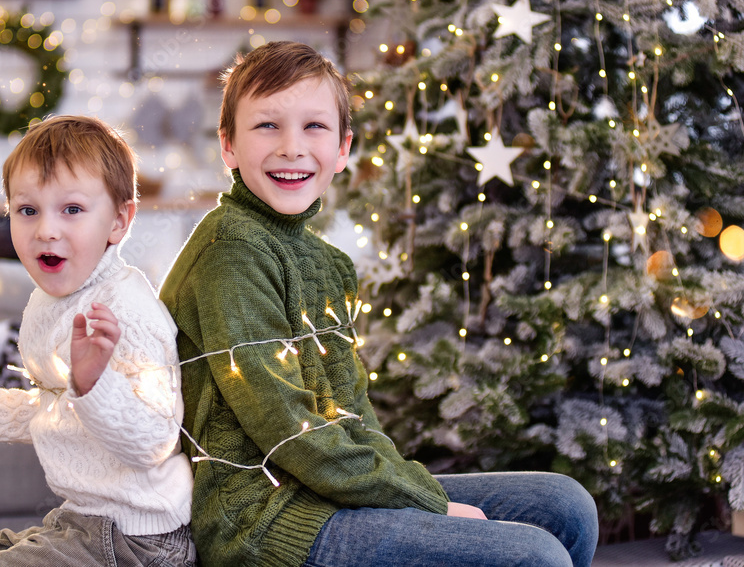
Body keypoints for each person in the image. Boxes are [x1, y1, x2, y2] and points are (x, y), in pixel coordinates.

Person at [158, 41, 598, 567]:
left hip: (325, 492)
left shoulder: (328, 264)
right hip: (260, 519)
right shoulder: (231, 253)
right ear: (228, 146)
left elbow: (352, 414)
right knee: (534, 556)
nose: (292, 147)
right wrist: (429, 503)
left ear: (343, 149)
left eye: (314, 127)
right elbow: (291, 435)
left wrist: (412, 492)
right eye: (267, 126)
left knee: (565, 505)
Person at [0, 115, 196, 567]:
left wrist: (95, 384)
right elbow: (56, 412)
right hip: (83, 520)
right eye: (28, 210)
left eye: (71, 210)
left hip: (140, 539)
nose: (46, 230)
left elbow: (154, 440)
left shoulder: (125, 311)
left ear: (119, 221)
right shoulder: (47, 303)